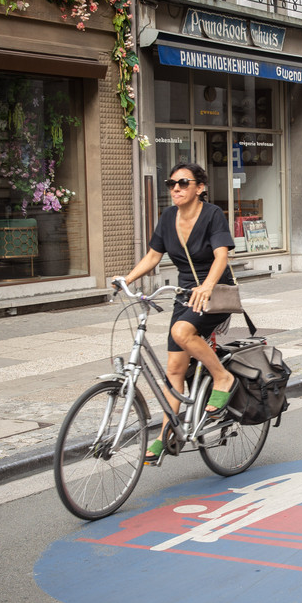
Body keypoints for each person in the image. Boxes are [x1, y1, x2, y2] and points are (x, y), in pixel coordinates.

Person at [114, 162, 237, 464]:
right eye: (172, 184)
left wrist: (207, 286)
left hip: (214, 294)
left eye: (183, 183)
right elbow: (154, 255)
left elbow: (222, 255)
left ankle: (223, 378)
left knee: (181, 332)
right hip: (185, 295)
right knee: (174, 369)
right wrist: (126, 280)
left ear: (200, 188)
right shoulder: (168, 217)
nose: (177, 189)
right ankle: (166, 434)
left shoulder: (212, 215)